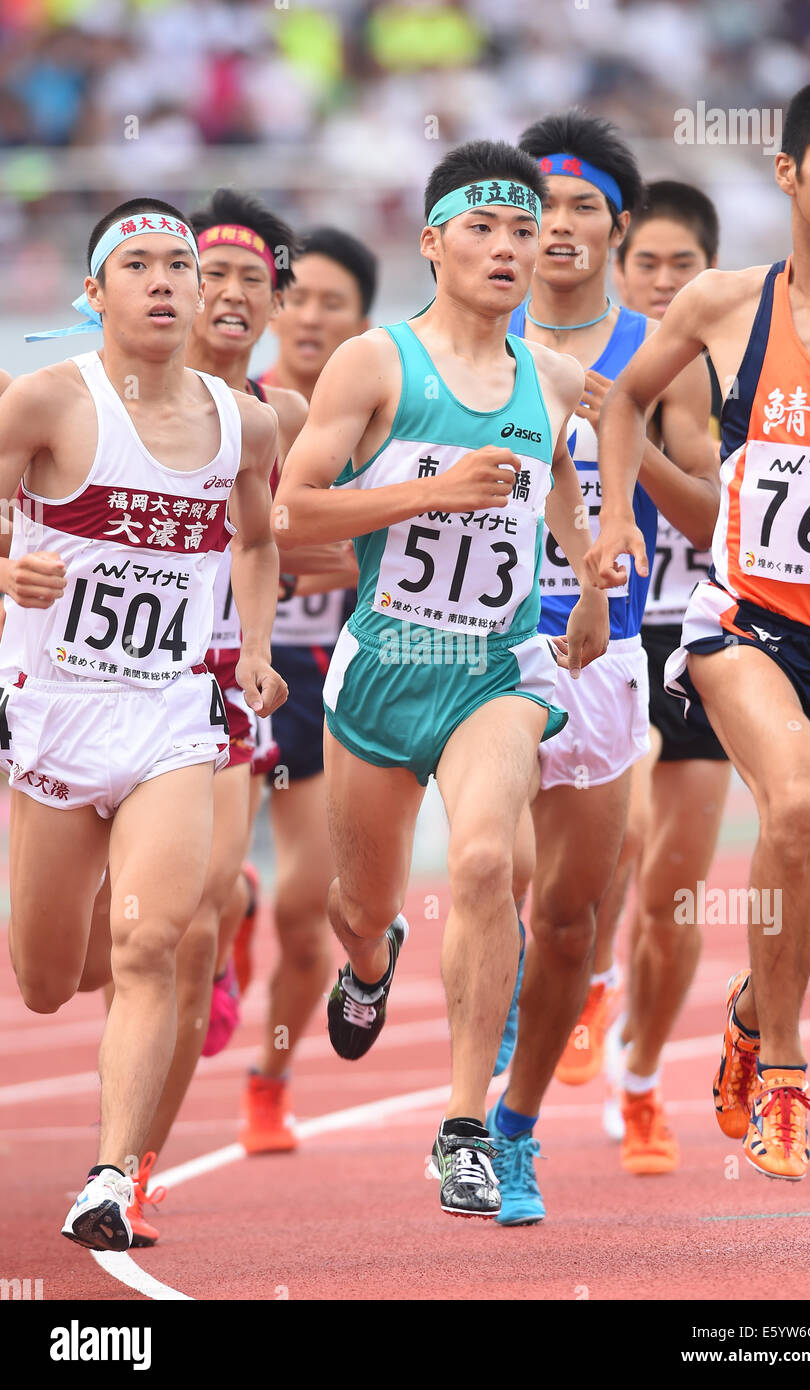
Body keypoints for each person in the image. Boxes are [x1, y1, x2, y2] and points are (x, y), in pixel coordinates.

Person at [274, 138, 610, 1218]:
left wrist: (591, 569)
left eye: (524, 229)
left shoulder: (550, 378)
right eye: (484, 227)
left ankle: (463, 1125)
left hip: (492, 670)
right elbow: (286, 512)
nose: (511, 246)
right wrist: (430, 494)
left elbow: (559, 480)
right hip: (382, 671)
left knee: (479, 864)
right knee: (359, 905)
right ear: (432, 243)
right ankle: (370, 967)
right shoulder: (374, 363)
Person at [588, 75, 810, 1183]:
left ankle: (753, 1013)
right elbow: (619, 397)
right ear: (788, 172)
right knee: (792, 806)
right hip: (745, 625)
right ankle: (785, 1080)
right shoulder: (722, 304)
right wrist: (613, 515)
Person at [0, 197, 286, 1250]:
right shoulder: (44, 403)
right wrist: (6, 569)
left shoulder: (241, 421)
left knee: (152, 942)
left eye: (181, 265)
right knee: (44, 981)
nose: (167, 282)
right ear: (94, 292)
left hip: (171, 714)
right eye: (139, 265)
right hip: (54, 718)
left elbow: (256, 541)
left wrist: (249, 648)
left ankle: (109, 1177)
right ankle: (165, 912)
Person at [484, 112, 720, 1224]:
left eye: (584, 206)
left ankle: (576, 1098)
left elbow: (712, 505)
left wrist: (623, 447)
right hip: (475, 642)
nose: (560, 224)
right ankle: (452, 976)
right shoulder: (454, 342)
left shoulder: (660, 355)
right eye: (542, 205)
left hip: (636, 636)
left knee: (625, 888)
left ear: (613, 230)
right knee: (492, 871)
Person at [587, 180, 732, 1173]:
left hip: (709, 638)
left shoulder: (718, 374)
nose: (664, 282)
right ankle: (583, 977)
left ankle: (639, 1079)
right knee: (618, 838)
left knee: (676, 900)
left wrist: (627, 433)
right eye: (647, 264)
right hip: (615, 635)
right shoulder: (568, 364)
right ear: (616, 262)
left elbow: (706, 520)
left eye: (684, 267)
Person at [239, 228, 373, 1156]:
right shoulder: (238, 408)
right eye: (301, 297)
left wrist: (348, 560)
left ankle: (270, 1080)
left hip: (324, 684)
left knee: (306, 911)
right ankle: (222, 913)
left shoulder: (387, 413)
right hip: (228, 675)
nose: (314, 315)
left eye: (337, 301)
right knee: (193, 899)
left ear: (363, 317)